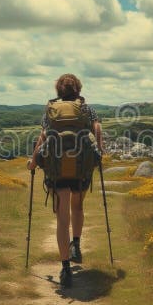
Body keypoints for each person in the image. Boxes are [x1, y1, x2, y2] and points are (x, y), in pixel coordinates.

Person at [27, 73, 102, 288]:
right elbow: (96, 128)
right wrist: (99, 152)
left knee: (62, 218)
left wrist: (33, 161)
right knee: (77, 206)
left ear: (58, 90)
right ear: (78, 89)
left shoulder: (50, 110)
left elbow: (43, 136)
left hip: (57, 169)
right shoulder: (86, 109)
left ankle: (65, 268)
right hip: (81, 167)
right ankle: (76, 244)